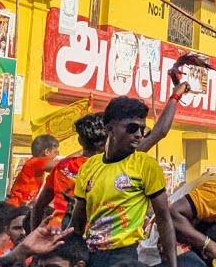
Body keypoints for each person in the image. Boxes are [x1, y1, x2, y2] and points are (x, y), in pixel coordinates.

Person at [34, 80, 188, 229]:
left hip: (55, 236)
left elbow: (38, 206)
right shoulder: (117, 163)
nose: (136, 135)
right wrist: (175, 97)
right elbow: (158, 132)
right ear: (110, 135)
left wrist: (35, 238)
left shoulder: (62, 167)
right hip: (93, 242)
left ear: (81, 141)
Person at [69, 96, 177, 267]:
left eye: (142, 129)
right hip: (91, 255)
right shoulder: (88, 167)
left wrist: (173, 265)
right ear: (110, 129)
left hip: (126, 256)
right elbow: (77, 223)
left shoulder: (146, 165)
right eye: (132, 128)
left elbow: (164, 218)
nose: (139, 135)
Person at [5, 134, 61, 207]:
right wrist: (79, 156)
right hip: (15, 206)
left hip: (22, 206)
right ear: (46, 151)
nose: (56, 155)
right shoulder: (34, 162)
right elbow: (61, 164)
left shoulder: (36, 163)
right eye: (55, 152)